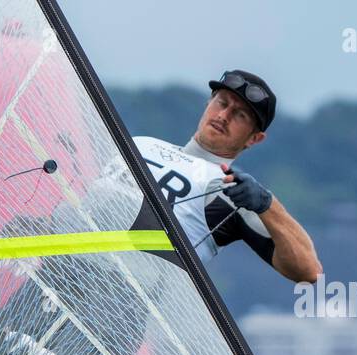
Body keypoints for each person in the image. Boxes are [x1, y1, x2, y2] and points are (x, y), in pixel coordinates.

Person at [135, 69, 322, 283]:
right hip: (87, 262)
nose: (223, 116)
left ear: (254, 139)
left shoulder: (229, 191)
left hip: (121, 304)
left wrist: (266, 203)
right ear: (208, 104)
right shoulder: (141, 144)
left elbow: (309, 271)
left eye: (240, 115)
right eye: (222, 103)